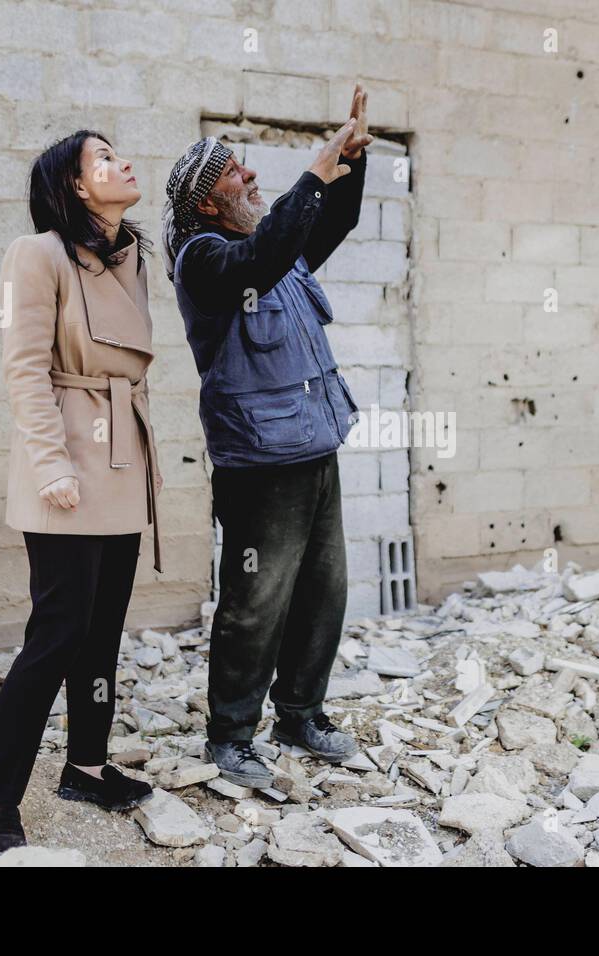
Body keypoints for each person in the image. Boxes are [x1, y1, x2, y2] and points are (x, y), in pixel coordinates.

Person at [161, 86, 373, 787]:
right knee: (256, 603)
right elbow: (267, 253)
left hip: (314, 448)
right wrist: (311, 173)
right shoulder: (205, 258)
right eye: (233, 172)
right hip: (260, 465)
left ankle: (300, 714)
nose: (249, 174)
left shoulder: (269, 249)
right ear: (208, 204)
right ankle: (230, 737)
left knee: (324, 591)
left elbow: (324, 228)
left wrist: (350, 163)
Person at [0, 131, 163, 860]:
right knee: (56, 634)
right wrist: (51, 465)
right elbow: (24, 371)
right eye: (106, 157)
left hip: (123, 458)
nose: (126, 161)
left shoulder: (132, 254)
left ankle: (85, 765)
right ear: (77, 186)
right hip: (66, 468)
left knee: (103, 627)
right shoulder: (38, 253)